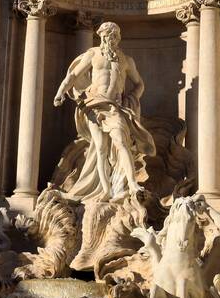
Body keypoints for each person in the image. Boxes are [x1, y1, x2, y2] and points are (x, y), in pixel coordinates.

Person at [52, 22, 156, 202]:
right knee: (100, 148)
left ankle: (132, 183)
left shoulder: (126, 60)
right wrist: (60, 92)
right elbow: (73, 76)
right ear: (102, 36)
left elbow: (140, 84)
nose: (112, 38)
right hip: (93, 103)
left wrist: (131, 99)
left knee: (121, 142)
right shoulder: (93, 54)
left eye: (116, 35)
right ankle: (106, 190)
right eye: (109, 35)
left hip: (114, 107)